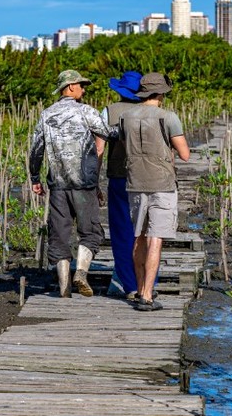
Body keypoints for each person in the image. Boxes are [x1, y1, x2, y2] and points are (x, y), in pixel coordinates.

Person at [29, 69, 111, 297]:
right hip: (84, 184)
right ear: (71, 87)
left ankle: (64, 286)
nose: (84, 90)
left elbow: (36, 149)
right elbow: (107, 133)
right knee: (91, 232)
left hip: (58, 185)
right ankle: (82, 272)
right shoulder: (86, 112)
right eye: (82, 86)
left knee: (59, 234)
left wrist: (35, 177)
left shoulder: (46, 115)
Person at [118, 73, 190, 311]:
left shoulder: (125, 117)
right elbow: (185, 154)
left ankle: (139, 289)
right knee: (155, 238)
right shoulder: (168, 117)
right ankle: (147, 295)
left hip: (134, 182)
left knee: (138, 237)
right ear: (161, 93)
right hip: (162, 183)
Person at [95, 71, 142, 300]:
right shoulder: (154, 111)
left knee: (122, 230)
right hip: (147, 178)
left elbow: (99, 149)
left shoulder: (109, 111)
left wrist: (94, 181)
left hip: (119, 176)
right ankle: (147, 281)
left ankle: (130, 284)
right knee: (145, 230)